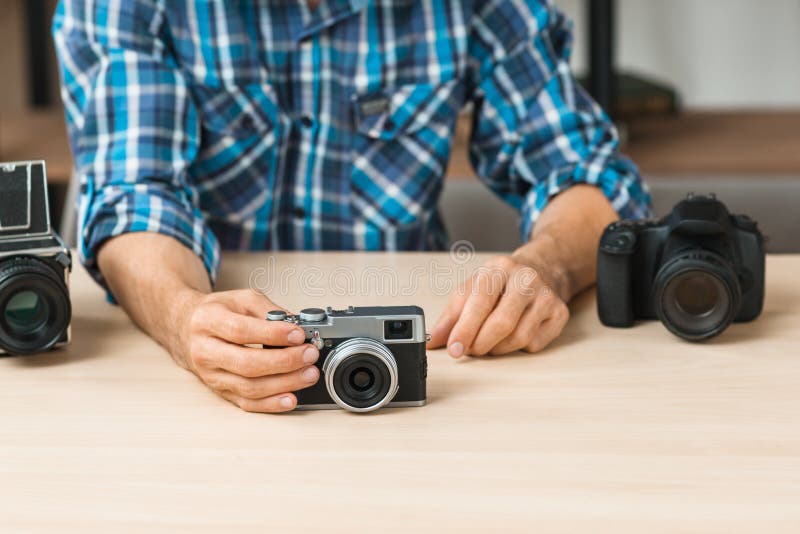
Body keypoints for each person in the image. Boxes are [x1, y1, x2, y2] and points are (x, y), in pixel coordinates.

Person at [54, 0, 651, 413]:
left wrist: (547, 265)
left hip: (431, 378)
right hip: (213, 402)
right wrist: (185, 318)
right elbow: (135, 195)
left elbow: (588, 174)